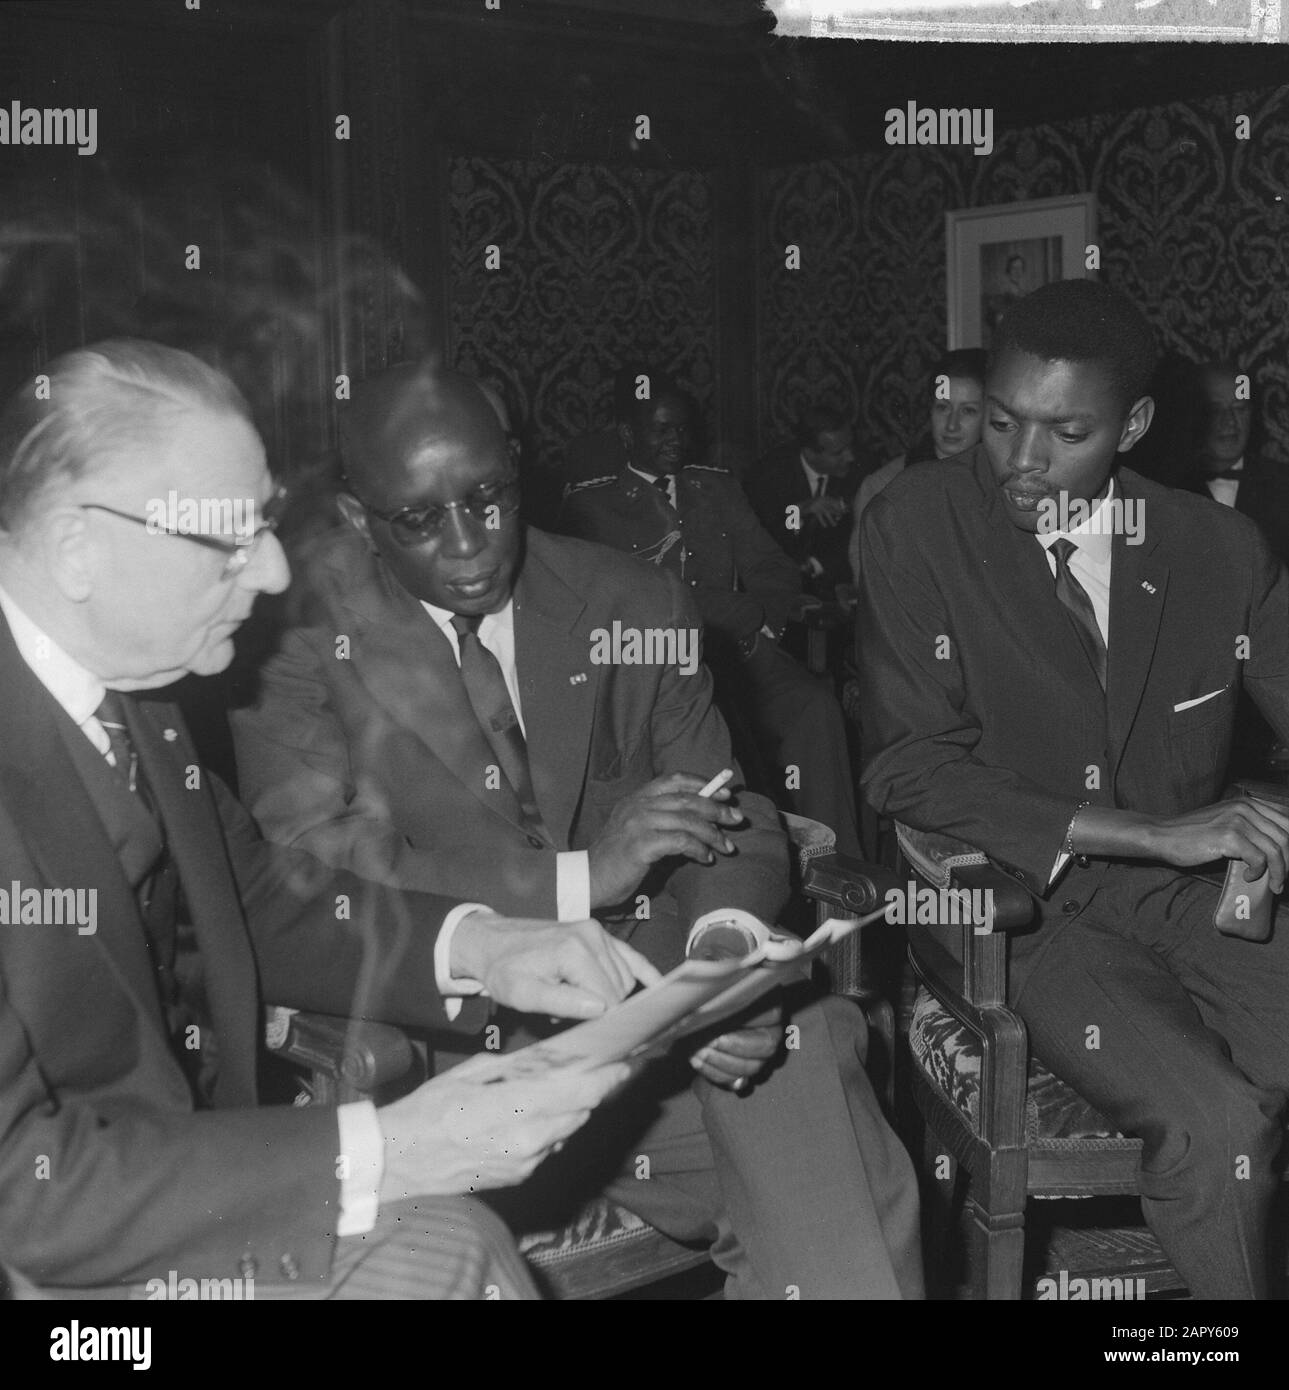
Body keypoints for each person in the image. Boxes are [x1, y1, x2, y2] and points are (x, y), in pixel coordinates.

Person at [231, 358, 923, 1299]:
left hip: (657, 1024)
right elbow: (320, 871)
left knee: (804, 1054)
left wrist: (720, 965)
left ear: (521, 471)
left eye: (488, 498)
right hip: (448, 1067)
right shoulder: (294, 646)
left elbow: (732, 812)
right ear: (359, 519)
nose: (470, 544)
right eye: (420, 520)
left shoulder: (631, 602)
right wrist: (577, 877)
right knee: (833, 1175)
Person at [0, 339, 645, 1300]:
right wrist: (388, 1148)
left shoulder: (137, 696)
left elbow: (252, 895)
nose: (268, 573)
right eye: (227, 537)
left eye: (265, 525)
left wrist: (483, 945)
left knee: (459, 1253)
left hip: (157, 1194)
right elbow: (23, 1198)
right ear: (76, 552)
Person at [859, 278, 1289, 1299]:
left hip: (1191, 899)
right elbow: (902, 765)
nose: (1018, 461)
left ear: (1132, 425)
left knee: (1238, 1123)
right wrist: (1156, 832)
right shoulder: (916, 522)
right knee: (1212, 1122)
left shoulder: (1211, 546)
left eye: (1064, 432)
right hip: (1023, 905)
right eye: (1000, 422)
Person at [559, 374, 863, 858]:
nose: (674, 441)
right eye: (660, 430)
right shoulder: (593, 505)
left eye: (681, 429)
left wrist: (766, 621)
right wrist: (734, 612)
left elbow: (771, 566)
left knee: (815, 708)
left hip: (742, 655)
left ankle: (838, 869)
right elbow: (614, 605)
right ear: (627, 435)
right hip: (655, 669)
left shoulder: (715, 488)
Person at [849, 349, 985, 585]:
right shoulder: (883, 486)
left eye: (968, 411)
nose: (952, 425)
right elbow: (869, 579)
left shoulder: (1005, 483)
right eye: (943, 407)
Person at [746, 404, 857, 600]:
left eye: (850, 447)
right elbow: (768, 533)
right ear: (810, 453)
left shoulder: (860, 469)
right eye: (838, 453)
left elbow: (857, 535)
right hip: (778, 586)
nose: (850, 457)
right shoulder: (769, 475)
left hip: (836, 581)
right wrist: (801, 510)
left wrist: (815, 567)